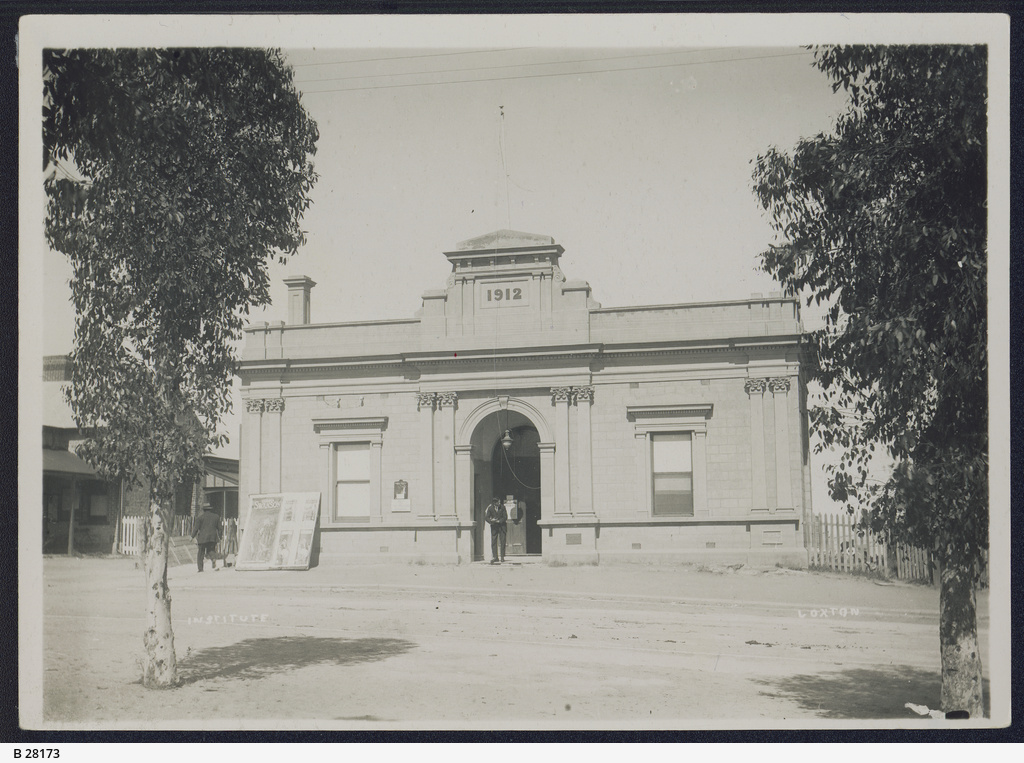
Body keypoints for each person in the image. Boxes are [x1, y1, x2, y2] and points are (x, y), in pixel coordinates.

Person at [191, 499, 223, 572]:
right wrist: (220, 537)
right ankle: (213, 559)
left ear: (203, 510)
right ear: (210, 509)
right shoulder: (216, 517)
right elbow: (220, 528)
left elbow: (196, 528)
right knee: (211, 550)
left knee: (200, 554)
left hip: (203, 538)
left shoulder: (200, 518)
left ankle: (200, 569)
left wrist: (192, 536)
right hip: (213, 538)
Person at [484, 496, 507, 564]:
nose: (499, 503)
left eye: (500, 501)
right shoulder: (490, 508)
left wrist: (499, 521)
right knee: (494, 542)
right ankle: (495, 557)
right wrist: (491, 521)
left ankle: (502, 557)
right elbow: (486, 517)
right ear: (494, 503)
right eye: (498, 502)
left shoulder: (502, 507)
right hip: (494, 527)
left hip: (502, 526)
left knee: (502, 541)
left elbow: (505, 517)